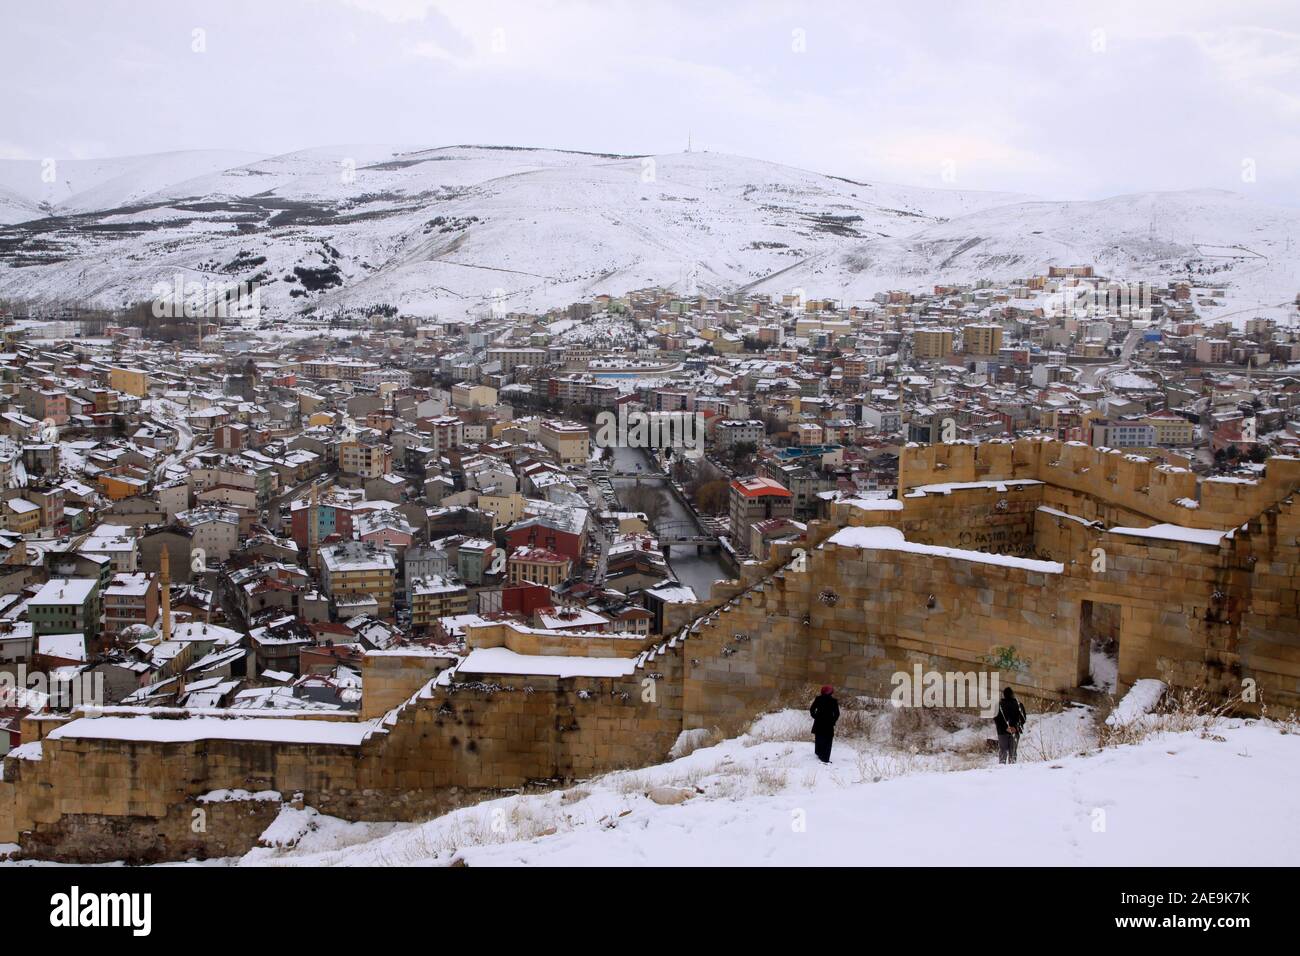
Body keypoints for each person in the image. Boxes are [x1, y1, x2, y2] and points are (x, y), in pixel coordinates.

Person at [994, 686, 1027, 764]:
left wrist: (1006, 728)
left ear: (1003, 695)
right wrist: (1015, 727)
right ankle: (1012, 770)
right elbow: (1023, 718)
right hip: (1015, 732)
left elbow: (996, 719)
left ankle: (1001, 770)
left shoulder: (998, 705)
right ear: (1012, 694)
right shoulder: (1019, 705)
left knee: (1003, 752)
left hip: (1002, 732)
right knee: (1013, 753)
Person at [810, 685, 840, 763]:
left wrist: (815, 717)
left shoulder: (818, 699)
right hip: (828, 724)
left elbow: (812, 709)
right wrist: (833, 721)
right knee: (827, 740)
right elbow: (837, 713)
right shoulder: (833, 701)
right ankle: (825, 757)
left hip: (819, 723)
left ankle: (818, 753)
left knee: (819, 737)